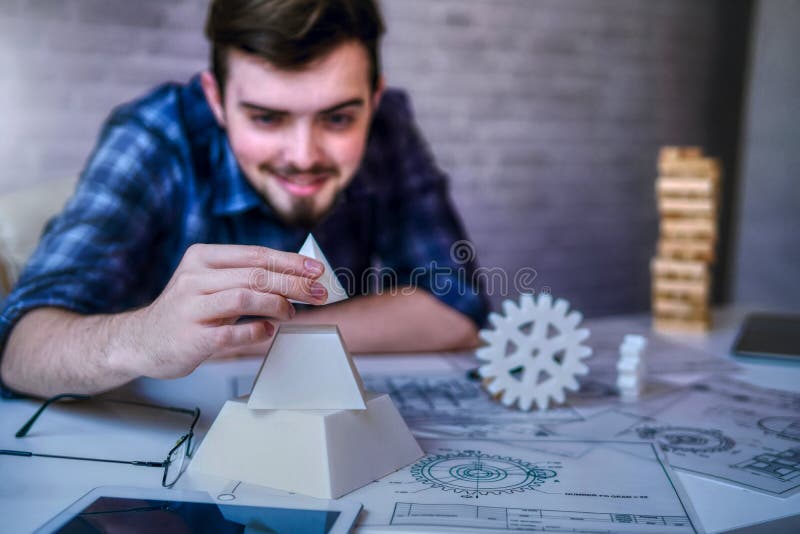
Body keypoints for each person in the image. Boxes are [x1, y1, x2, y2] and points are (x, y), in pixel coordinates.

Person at [0, 0, 487, 399]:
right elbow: (21, 349)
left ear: (373, 98)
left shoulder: (387, 128)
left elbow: (454, 310)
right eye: (266, 118)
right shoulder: (155, 136)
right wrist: (148, 336)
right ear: (216, 100)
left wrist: (245, 340)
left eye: (338, 119)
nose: (303, 157)